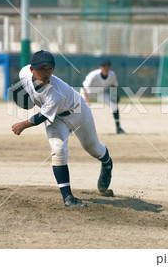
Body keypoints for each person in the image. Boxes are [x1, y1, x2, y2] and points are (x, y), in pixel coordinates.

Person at [11, 50, 113, 208]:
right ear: (32, 69)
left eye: (49, 69)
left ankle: (107, 163)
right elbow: (20, 88)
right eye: (41, 69)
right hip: (57, 119)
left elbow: (42, 117)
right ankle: (68, 198)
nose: (46, 73)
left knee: (93, 149)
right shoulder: (24, 73)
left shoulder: (55, 92)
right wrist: (22, 98)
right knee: (58, 150)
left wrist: (22, 125)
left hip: (79, 113)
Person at [81, 59, 125, 134]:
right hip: (87, 92)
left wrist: (113, 96)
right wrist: (87, 100)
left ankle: (118, 128)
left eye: (107, 66)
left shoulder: (112, 75)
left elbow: (114, 85)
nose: (106, 68)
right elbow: (84, 87)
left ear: (110, 67)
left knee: (114, 105)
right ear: (100, 67)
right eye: (104, 66)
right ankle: (70, 129)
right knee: (78, 107)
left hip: (100, 93)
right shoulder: (93, 75)